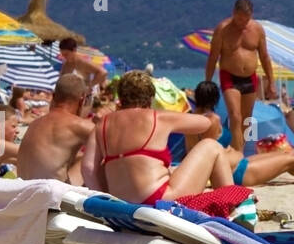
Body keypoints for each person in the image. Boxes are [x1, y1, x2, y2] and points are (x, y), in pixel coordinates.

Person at [82, 70, 234, 204]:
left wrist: (105, 200)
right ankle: (234, 204)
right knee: (211, 146)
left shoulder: (102, 124)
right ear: (150, 98)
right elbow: (205, 123)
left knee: (170, 170)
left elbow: (89, 168)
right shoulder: (157, 117)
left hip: (120, 203)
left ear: (120, 97)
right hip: (156, 200)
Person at [185, 81, 294, 184]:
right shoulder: (211, 119)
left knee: (289, 157)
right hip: (237, 172)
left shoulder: (190, 120)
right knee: (291, 161)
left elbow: (192, 153)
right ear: (215, 99)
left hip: (239, 166)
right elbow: (211, 154)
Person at [203, 0, 276, 153]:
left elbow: (264, 57)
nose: (242, 23)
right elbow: (213, 57)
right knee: (235, 116)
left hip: (250, 77)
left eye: (246, 19)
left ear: (251, 16)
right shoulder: (222, 29)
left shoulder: (257, 30)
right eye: (239, 19)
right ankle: (238, 155)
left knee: (247, 118)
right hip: (229, 76)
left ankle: (239, 149)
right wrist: (208, 82)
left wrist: (271, 82)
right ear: (233, 13)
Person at [16, 74, 95, 184]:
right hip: (49, 195)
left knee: (81, 157)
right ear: (82, 100)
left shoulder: (35, 123)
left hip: (22, 189)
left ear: (54, 96)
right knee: (91, 158)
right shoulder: (79, 125)